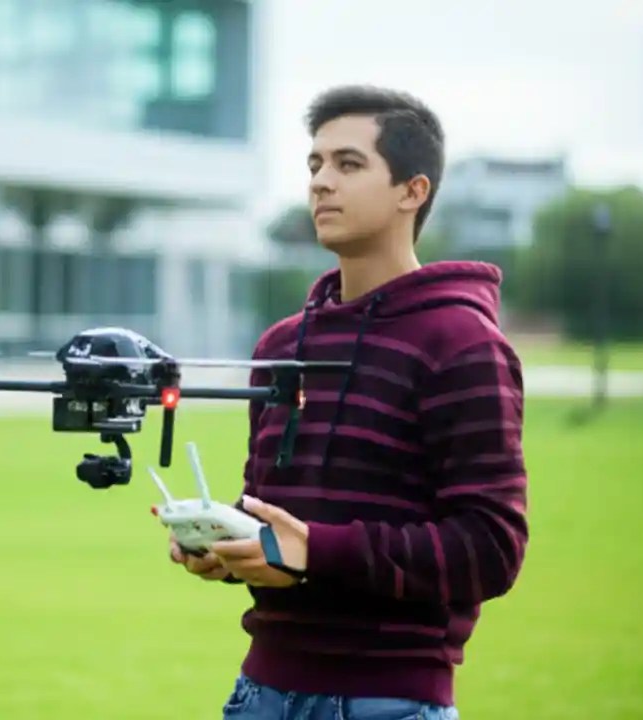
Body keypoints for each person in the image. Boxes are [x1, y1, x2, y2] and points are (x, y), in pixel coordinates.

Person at [168, 85, 530, 719]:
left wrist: (315, 551)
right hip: (261, 693)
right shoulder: (283, 344)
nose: (321, 183)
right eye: (314, 165)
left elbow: (492, 546)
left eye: (348, 164)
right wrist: (231, 545)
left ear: (412, 191)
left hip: (391, 701)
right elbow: (279, 516)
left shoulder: (462, 343)